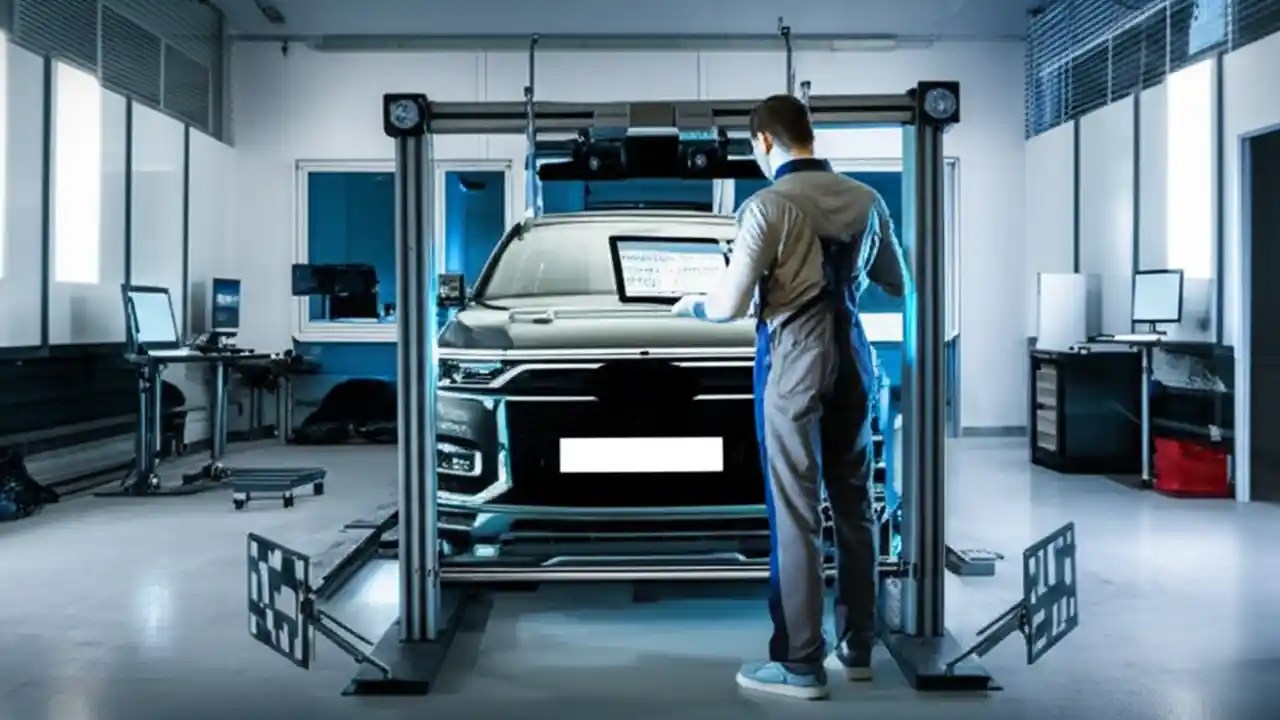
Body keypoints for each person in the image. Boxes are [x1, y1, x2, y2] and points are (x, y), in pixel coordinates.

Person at [672, 94, 908, 701]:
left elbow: (728, 305)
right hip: (853, 354)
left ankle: (801, 663)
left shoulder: (766, 206)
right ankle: (858, 646)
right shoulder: (868, 199)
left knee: (796, 508)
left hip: (795, 356)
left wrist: (693, 304)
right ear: (809, 134)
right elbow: (898, 282)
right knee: (854, 502)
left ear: (764, 141)